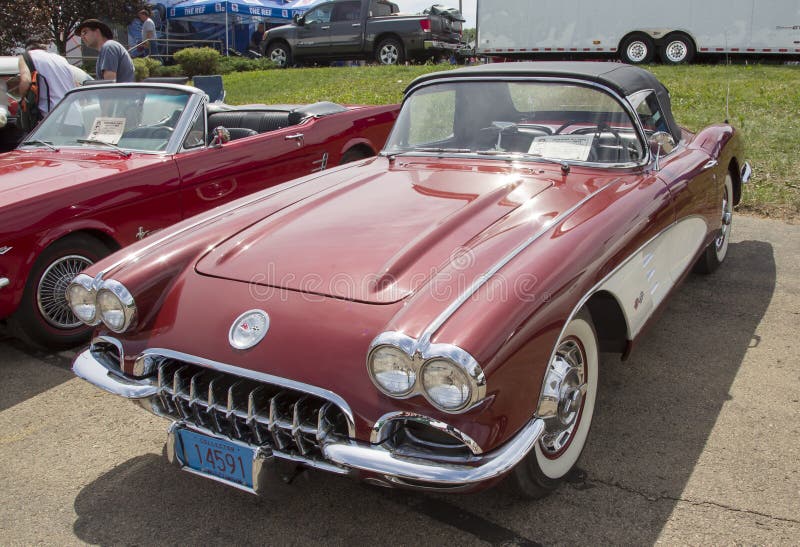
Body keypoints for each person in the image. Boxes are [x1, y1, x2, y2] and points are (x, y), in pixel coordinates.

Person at [18, 40, 77, 116]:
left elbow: (25, 81)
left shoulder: (26, 56)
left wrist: (20, 98)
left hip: (51, 117)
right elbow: (75, 84)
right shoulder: (61, 59)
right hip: (74, 112)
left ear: (27, 49)